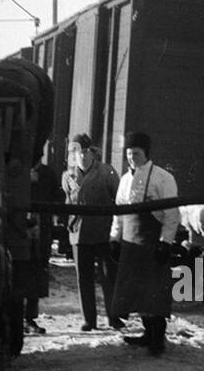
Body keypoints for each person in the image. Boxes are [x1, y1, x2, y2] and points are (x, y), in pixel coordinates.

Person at [109, 130, 178, 355]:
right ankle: (147, 334)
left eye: (136, 153)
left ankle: (158, 338)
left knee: (154, 294)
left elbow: (171, 214)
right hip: (130, 244)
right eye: (128, 154)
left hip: (151, 245)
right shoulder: (125, 179)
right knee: (136, 293)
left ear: (146, 153)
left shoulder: (163, 178)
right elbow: (119, 213)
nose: (131, 158)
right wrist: (114, 239)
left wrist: (165, 243)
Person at [62, 133, 121, 331]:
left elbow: (118, 199)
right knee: (83, 278)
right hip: (79, 233)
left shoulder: (106, 172)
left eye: (86, 151)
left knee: (107, 275)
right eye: (78, 152)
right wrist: (69, 225)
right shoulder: (68, 175)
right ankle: (89, 319)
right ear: (73, 154)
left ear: (92, 152)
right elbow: (68, 202)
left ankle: (114, 317)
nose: (83, 156)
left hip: (103, 232)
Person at [24, 142, 63, 333]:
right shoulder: (17, 173)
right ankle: (16, 316)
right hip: (19, 230)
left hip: (41, 232)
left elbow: (58, 197)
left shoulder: (48, 174)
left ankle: (30, 317)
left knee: (37, 272)